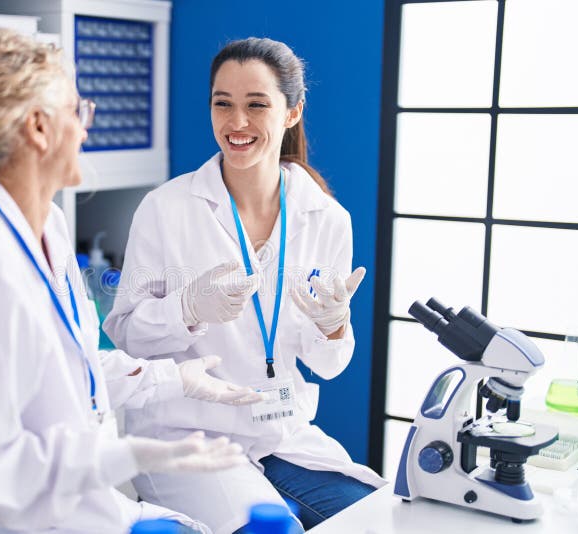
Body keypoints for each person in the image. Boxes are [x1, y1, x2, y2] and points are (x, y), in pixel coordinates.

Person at [0, 29, 265, 534]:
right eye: (76, 111)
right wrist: (120, 456)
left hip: (78, 513)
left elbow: (67, 371)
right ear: (39, 128)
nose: (85, 129)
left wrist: (173, 379)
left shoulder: (50, 231)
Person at [104, 37, 387, 533]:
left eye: (257, 105)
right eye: (223, 104)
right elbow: (127, 334)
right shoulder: (166, 209)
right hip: (187, 432)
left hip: (282, 431)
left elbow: (329, 364)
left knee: (380, 520)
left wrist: (334, 326)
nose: (237, 123)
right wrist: (188, 308)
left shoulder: (327, 218)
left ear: (292, 112)